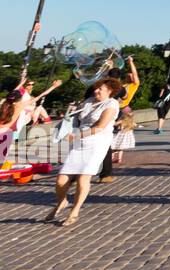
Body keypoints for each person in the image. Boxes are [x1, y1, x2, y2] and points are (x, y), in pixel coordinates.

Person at [46, 78, 122, 227]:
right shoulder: (88, 101)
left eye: (100, 89)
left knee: (83, 178)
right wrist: (69, 114)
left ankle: (75, 211)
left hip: (97, 143)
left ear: (110, 90)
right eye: (96, 88)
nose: (96, 91)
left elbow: (100, 127)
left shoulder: (112, 104)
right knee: (61, 180)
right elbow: (76, 119)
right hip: (80, 142)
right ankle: (62, 202)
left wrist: (76, 135)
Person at [98, 54, 139, 183]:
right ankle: (109, 162)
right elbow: (112, 77)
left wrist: (131, 62)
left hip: (121, 110)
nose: (130, 75)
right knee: (111, 134)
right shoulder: (120, 85)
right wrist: (111, 66)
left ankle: (113, 156)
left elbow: (134, 75)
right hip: (112, 109)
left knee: (116, 133)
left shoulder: (133, 85)